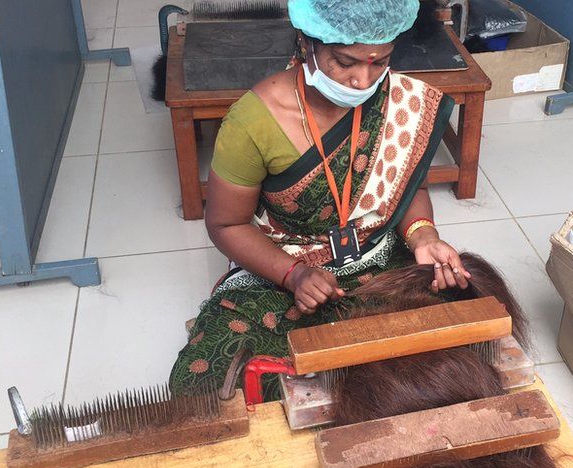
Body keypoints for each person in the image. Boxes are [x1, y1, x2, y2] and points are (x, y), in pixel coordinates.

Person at [170, 0, 471, 399]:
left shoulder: (399, 99)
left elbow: (406, 184)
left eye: (379, 61)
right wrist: (294, 275)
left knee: (459, 338)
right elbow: (227, 224)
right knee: (207, 385)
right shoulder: (254, 121)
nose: (363, 81)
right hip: (281, 268)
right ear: (306, 43)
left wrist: (423, 236)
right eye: (345, 62)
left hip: (377, 256)